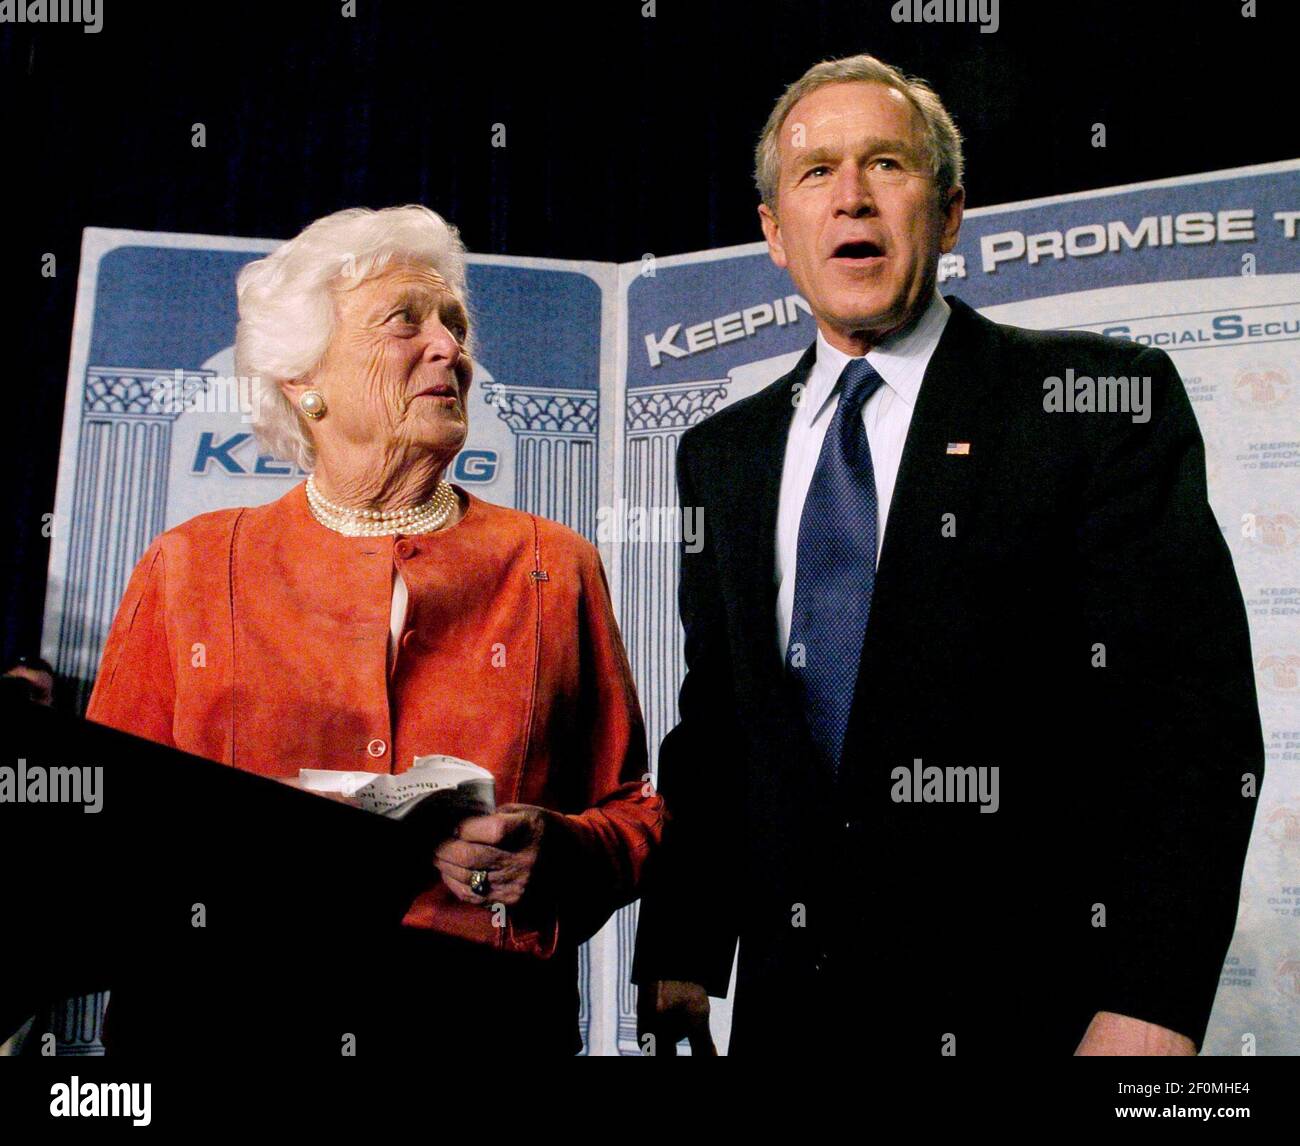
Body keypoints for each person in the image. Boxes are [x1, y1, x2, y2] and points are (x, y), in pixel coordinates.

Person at [632, 54, 1263, 1057]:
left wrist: (1150, 1001)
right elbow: (718, 726)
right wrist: (680, 952)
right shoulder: (724, 454)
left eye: (886, 165)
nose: (851, 196)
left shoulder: (1093, 404)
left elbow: (1190, 725)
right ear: (773, 235)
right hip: (795, 1017)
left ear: (951, 211)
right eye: (815, 172)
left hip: (1036, 1009)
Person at [85, 204, 664, 1056]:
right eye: (406, 322)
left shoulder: (554, 563)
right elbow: (105, 818)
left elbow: (631, 810)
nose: (450, 350)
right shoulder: (189, 564)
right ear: (301, 379)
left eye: (455, 327)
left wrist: (563, 853)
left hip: (478, 1026)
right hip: (223, 1019)